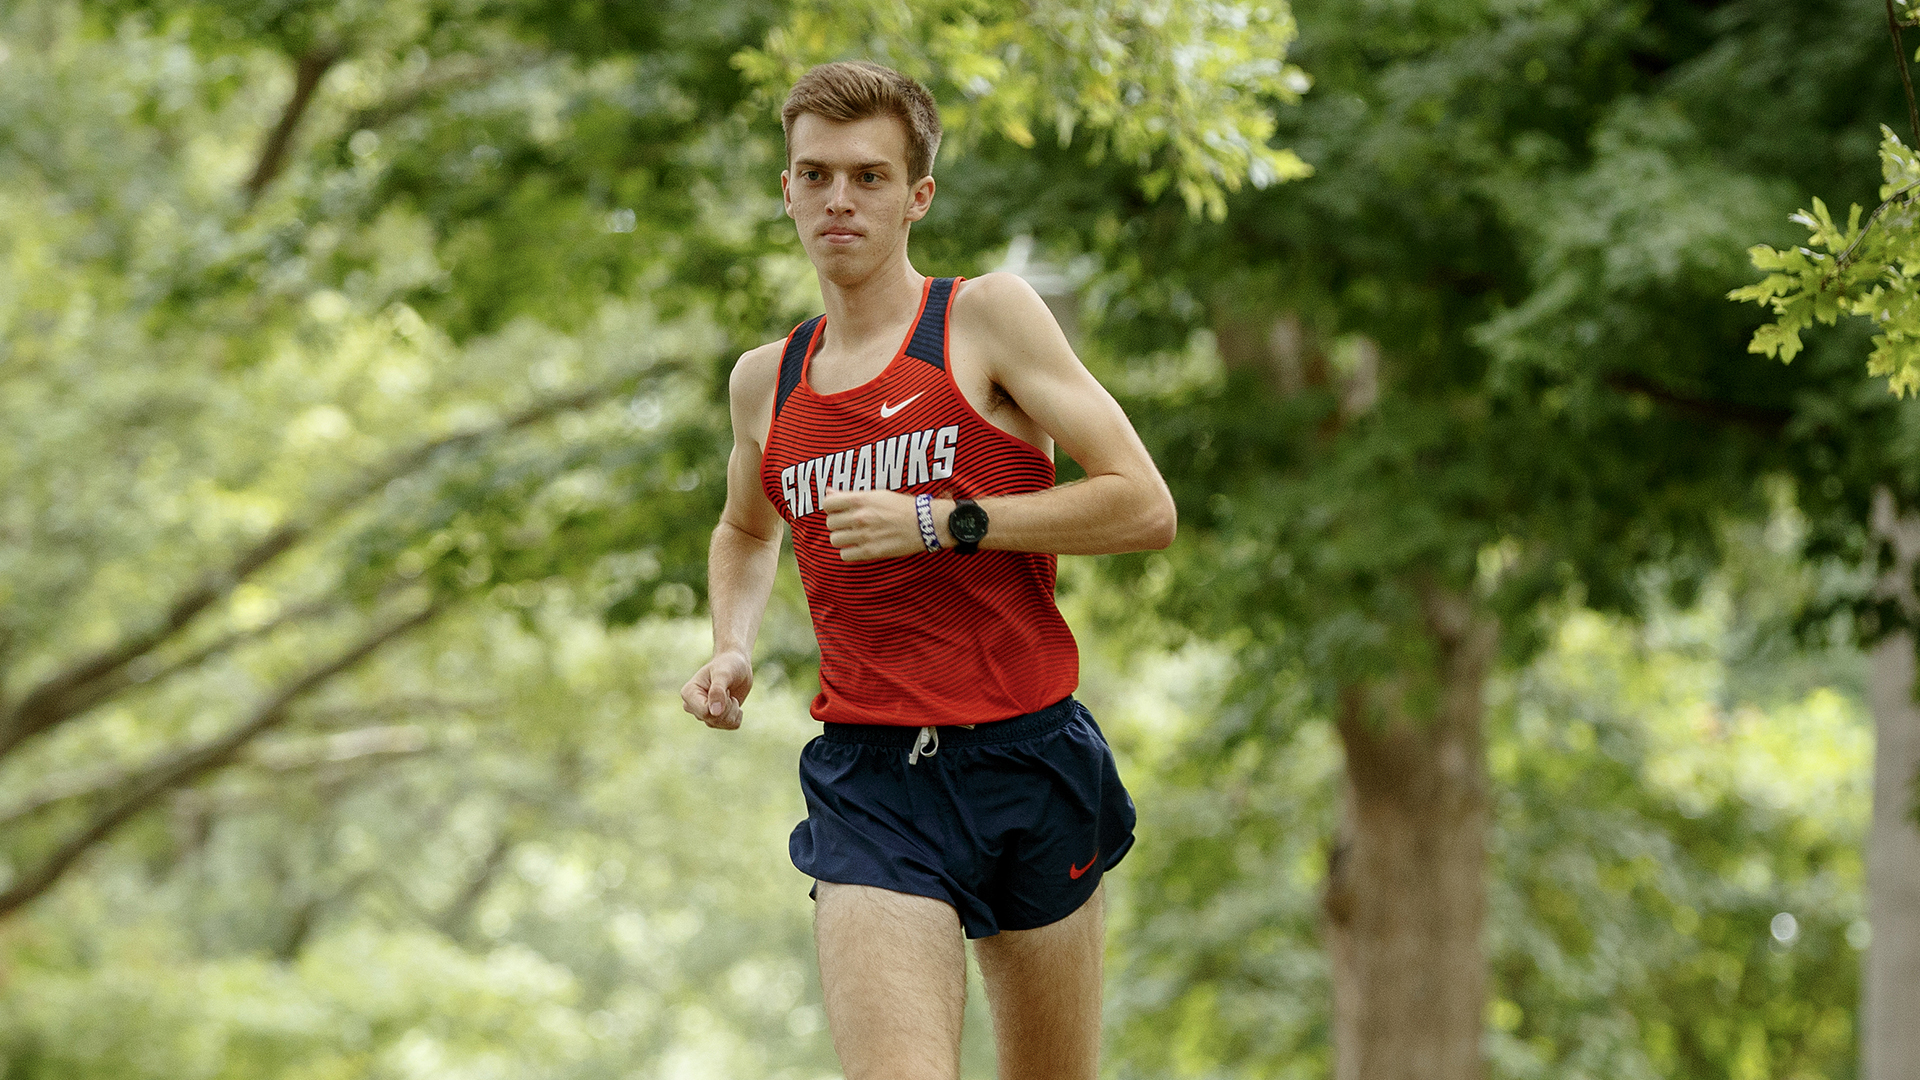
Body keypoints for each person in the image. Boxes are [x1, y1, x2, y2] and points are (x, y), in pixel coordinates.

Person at [679, 59, 1176, 1080]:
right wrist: (730, 646)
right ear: (787, 191)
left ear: (918, 197)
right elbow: (744, 529)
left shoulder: (985, 318)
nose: (838, 200)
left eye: (868, 177)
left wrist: (946, 525)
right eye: (814, 175)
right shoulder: (764, 381)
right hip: (871, 781)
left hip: (1029, 757)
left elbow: (1144, 504)